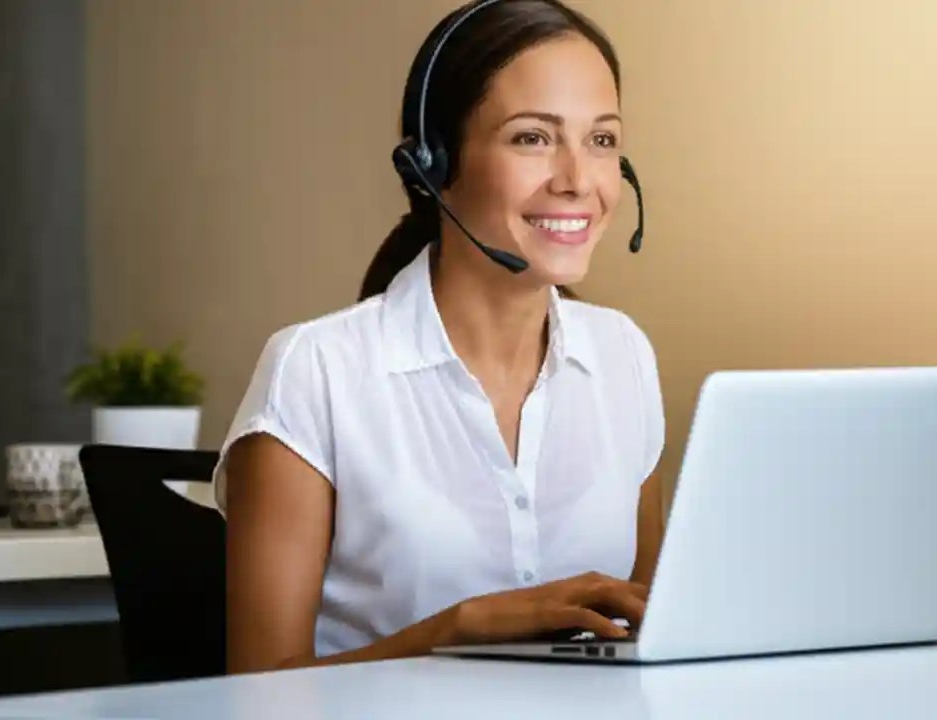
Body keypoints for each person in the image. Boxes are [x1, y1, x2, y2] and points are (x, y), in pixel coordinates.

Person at [216, 0, 665, 674]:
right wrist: (458, 629)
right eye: (532, 138)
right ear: (433, 164)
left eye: (602, 140)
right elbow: (257, 694)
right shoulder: (314, 372)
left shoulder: (623, 354)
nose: (578, 180)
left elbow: (654, 633)